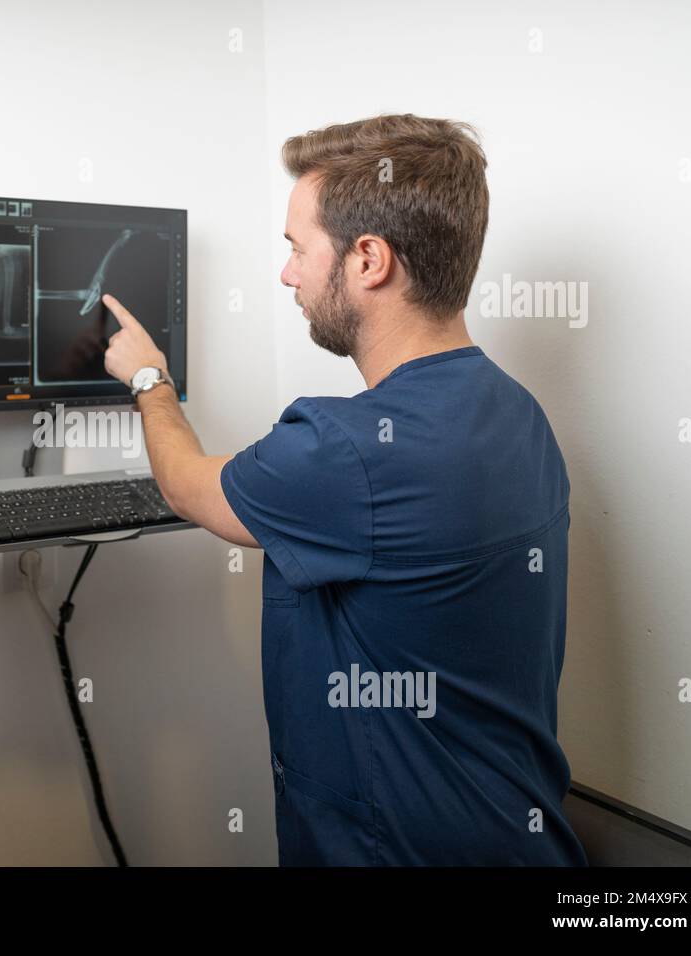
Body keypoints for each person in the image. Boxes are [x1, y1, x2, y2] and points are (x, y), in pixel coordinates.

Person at [102, 114, 587, 866]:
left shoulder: (342, 453)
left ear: (368, 260)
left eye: (298, 249)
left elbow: (190, 487)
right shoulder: (518, 412)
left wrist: (148, 379)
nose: (287, 274)